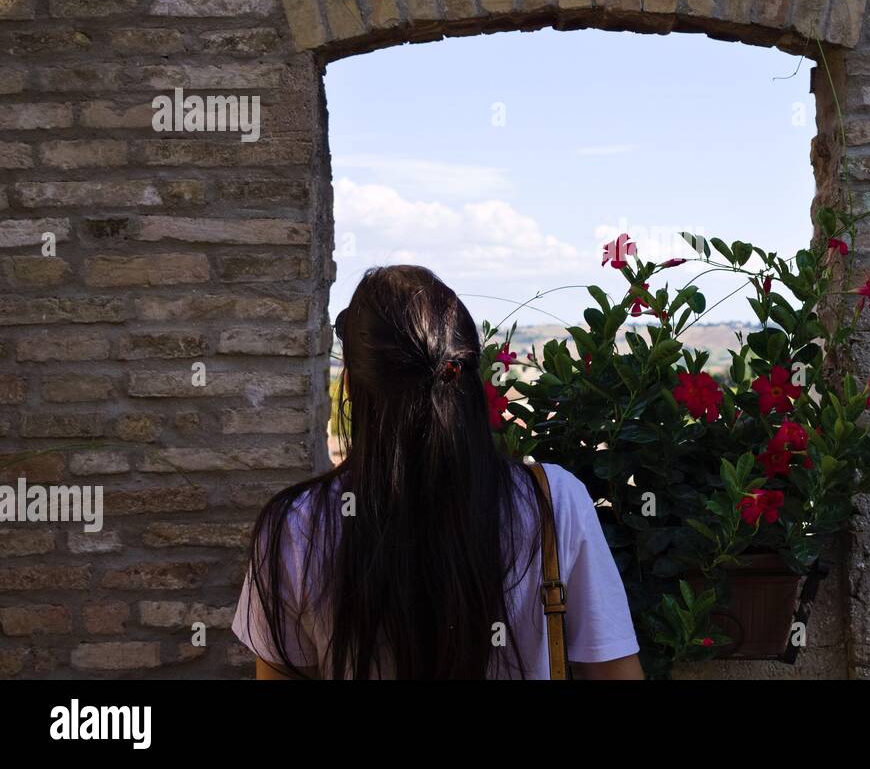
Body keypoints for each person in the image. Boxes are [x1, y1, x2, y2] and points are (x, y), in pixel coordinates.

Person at [233, 265, 643, 679]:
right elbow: (615, 672)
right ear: (466, 370)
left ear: (356, 386)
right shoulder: (554, 500)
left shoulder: (296, 526)